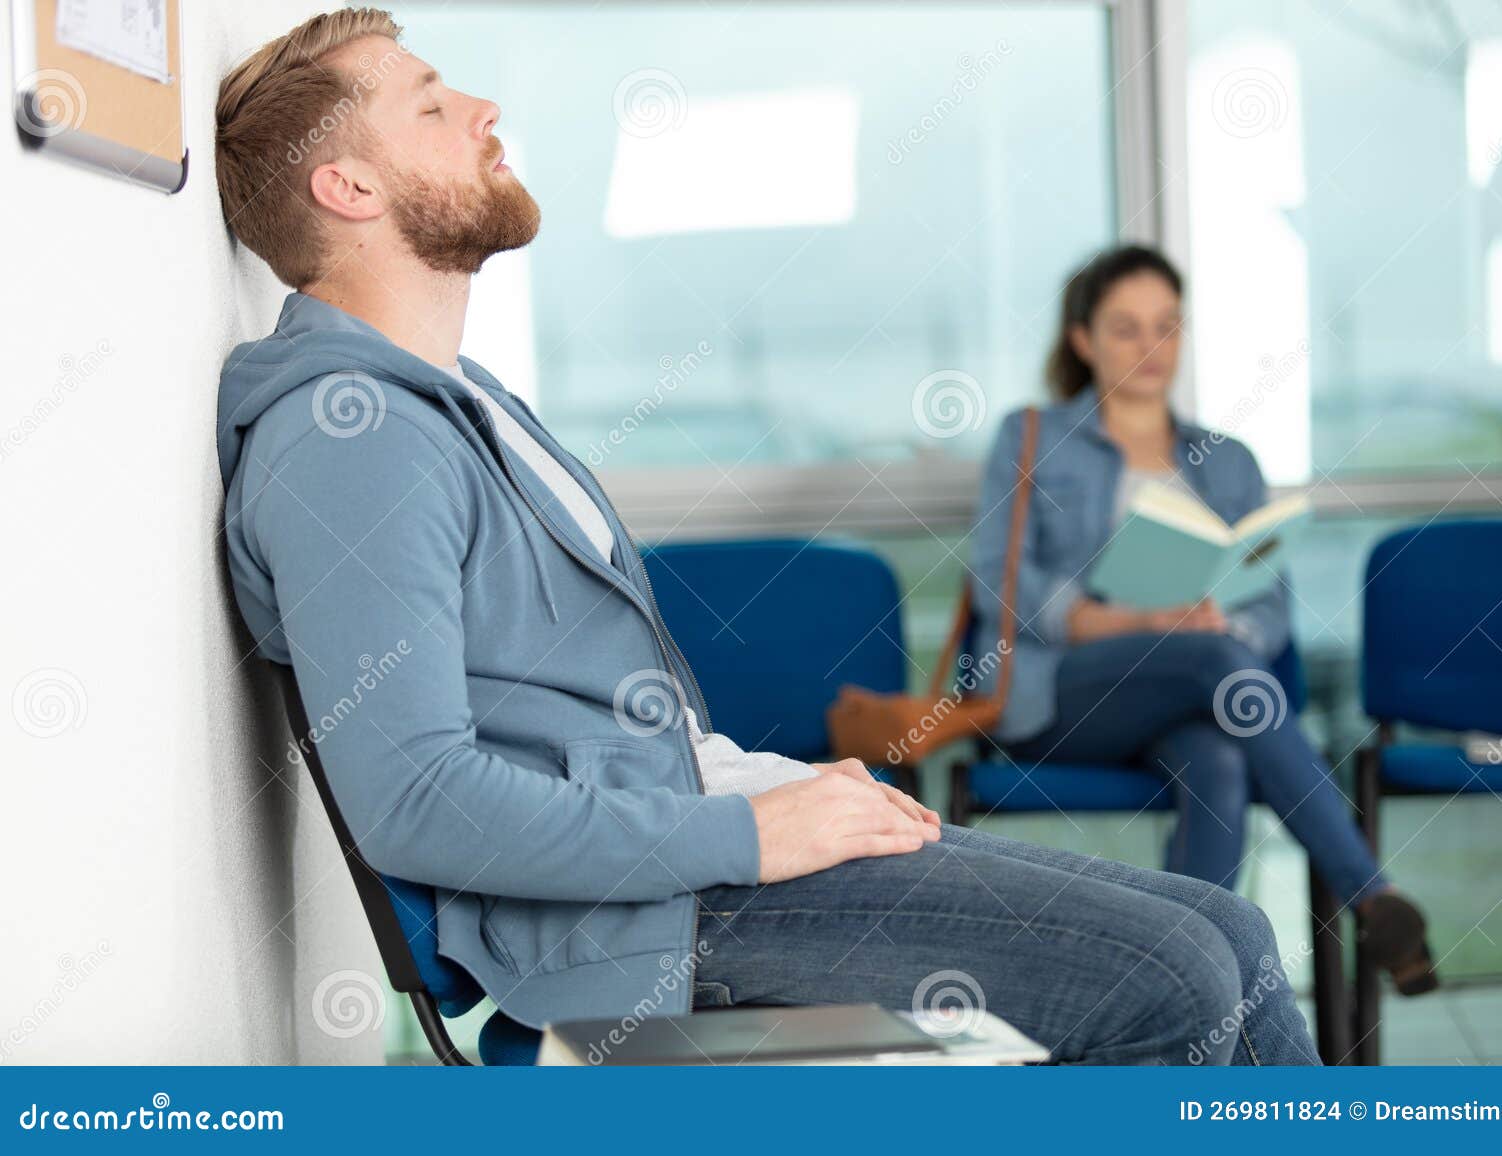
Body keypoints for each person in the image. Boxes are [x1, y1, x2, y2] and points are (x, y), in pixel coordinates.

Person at [213, 8, 1325, 1063]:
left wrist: (778, 793)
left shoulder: (462, 396)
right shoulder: (349, 436)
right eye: (429, 106)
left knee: (1234, 936)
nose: (483, 106)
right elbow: (417, 802)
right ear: (347, 184)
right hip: (636, 922)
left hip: (697, 836)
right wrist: (753, 835)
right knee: (1177, 973)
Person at [967, 245, 1437, 996]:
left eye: (1167, 326)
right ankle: (1370, 894)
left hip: (1190, 690)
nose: (1151, 349)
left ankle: (1178, 1003)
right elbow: (996, 578)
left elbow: (1268, 601)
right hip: (1064, 692)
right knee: (1215, 663)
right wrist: (1115, 620)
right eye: (1126, 328)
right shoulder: (1030, 438)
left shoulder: (1227, 461)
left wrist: (1223, 625)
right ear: (1083, 339)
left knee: (1217, 755)